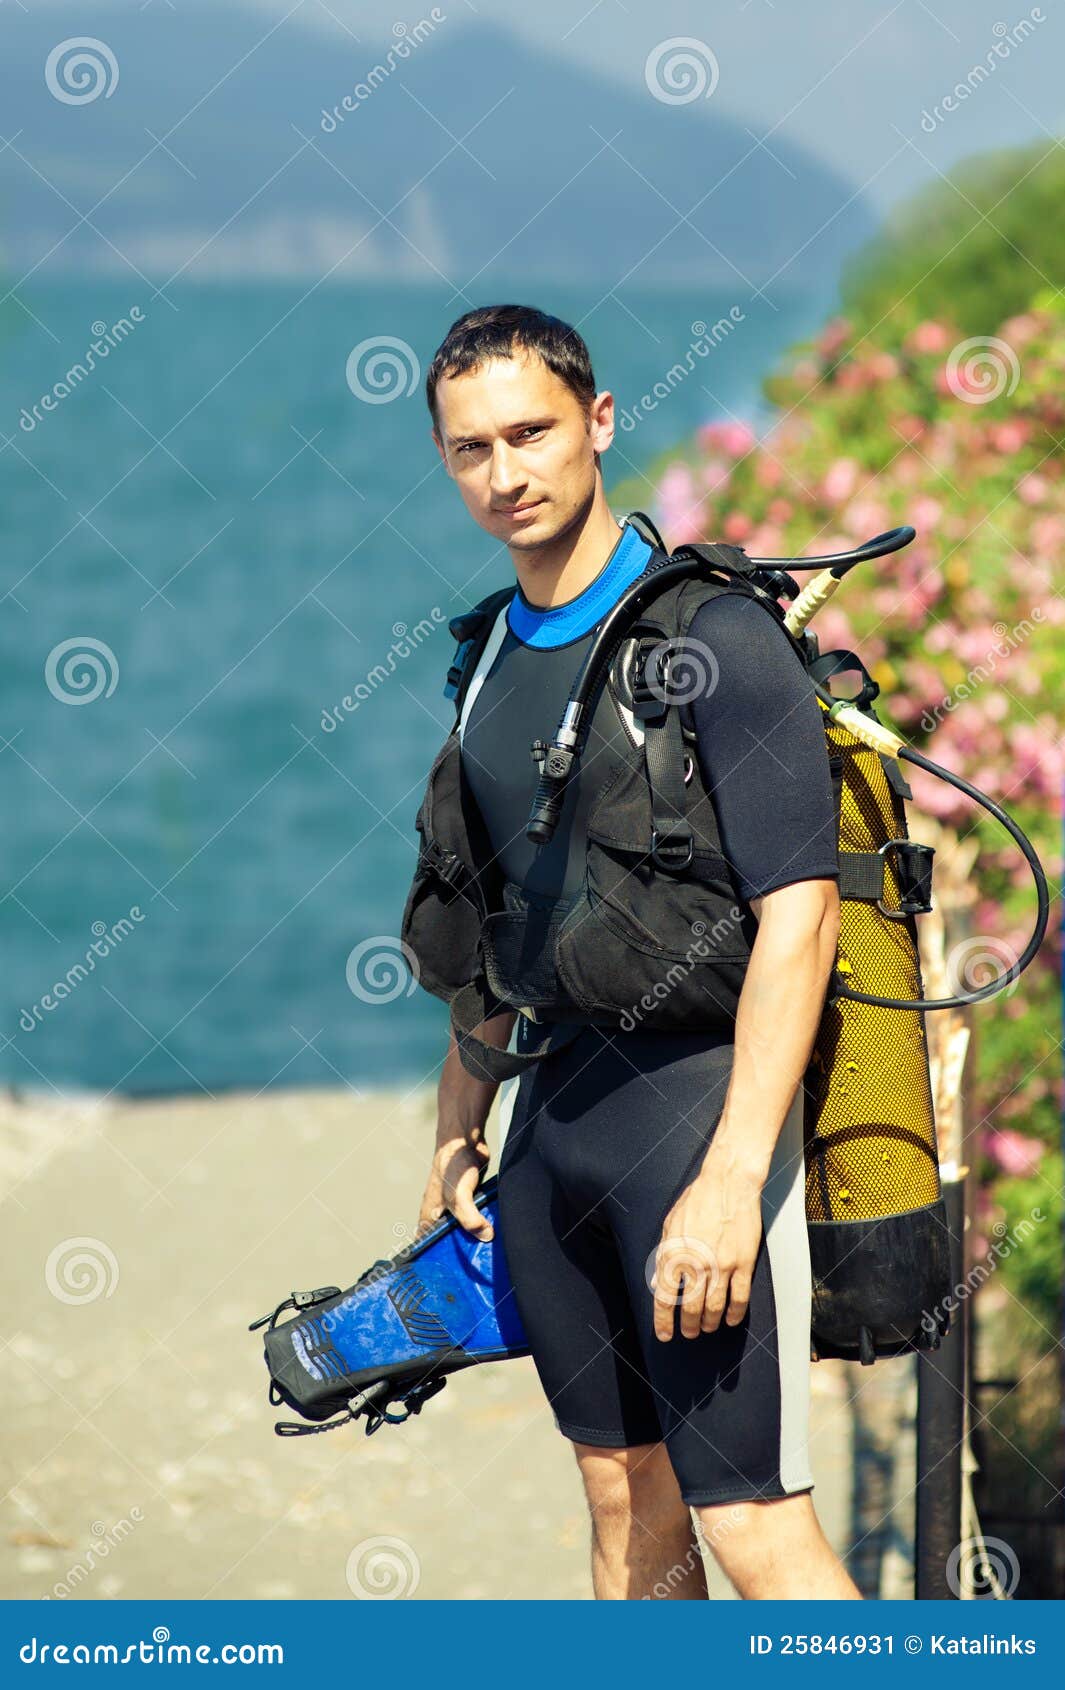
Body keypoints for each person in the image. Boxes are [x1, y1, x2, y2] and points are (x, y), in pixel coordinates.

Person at [414, 303, 861, 1601]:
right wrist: (455, 1125)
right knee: (624, 1507)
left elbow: (801, 912)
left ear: (597, 422)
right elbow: (504, 909)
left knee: (754, 1527)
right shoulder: (487, 651)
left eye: (531, 432)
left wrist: (727, 1180)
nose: (506, 472)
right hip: (556, 1123)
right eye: (469, 448)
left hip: (701, 1112)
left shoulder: (713, 639)